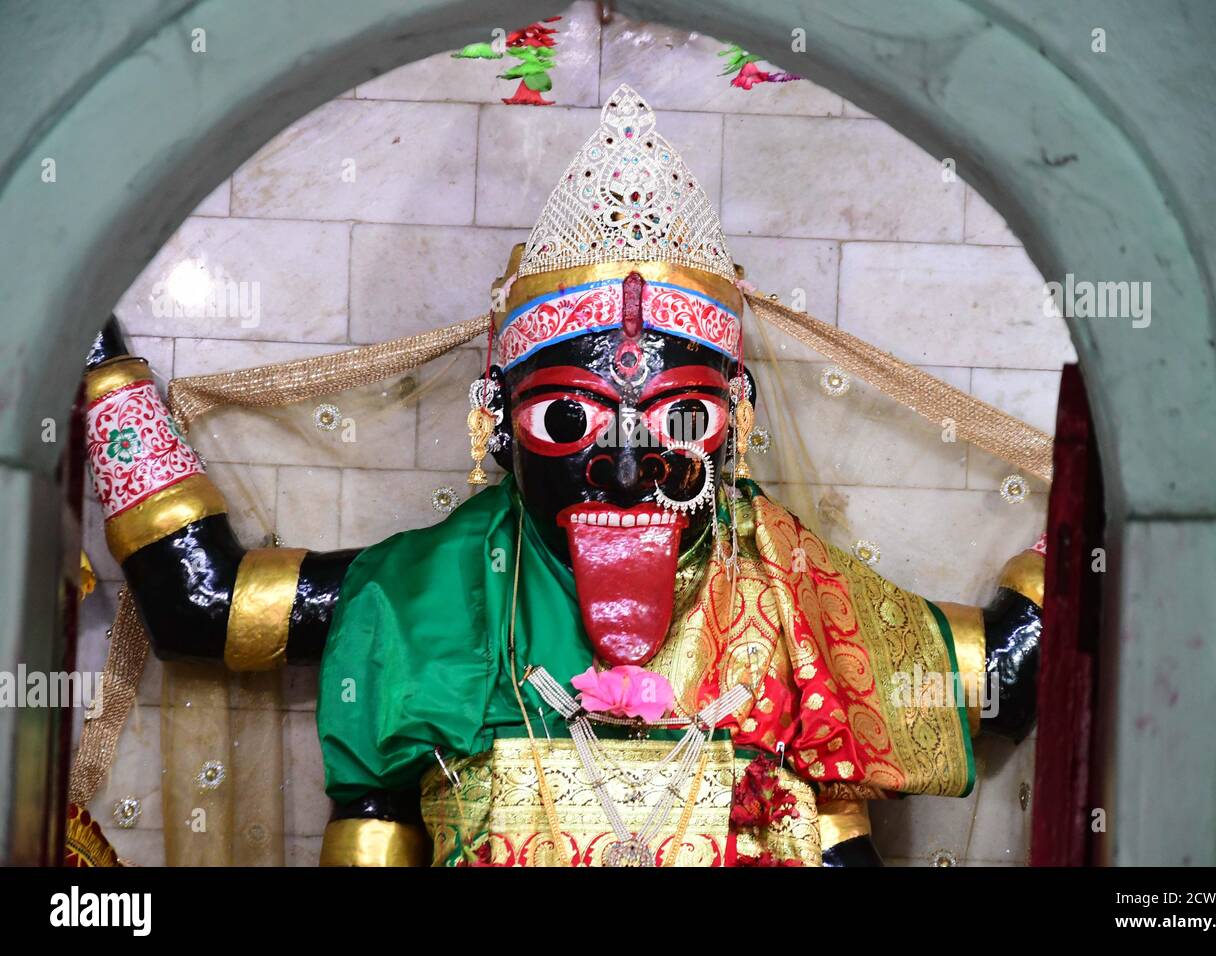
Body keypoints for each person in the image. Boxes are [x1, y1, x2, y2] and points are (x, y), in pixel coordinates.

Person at [82, 86, 1043, 866]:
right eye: (569, 419)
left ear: (736, 423)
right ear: (495, 423)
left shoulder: (791, 593)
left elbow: (1004, 670)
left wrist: (1135, 501)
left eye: (682, 416)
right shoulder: (425, 594)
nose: (627, 466)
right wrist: (95, 367)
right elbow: (204, 603)